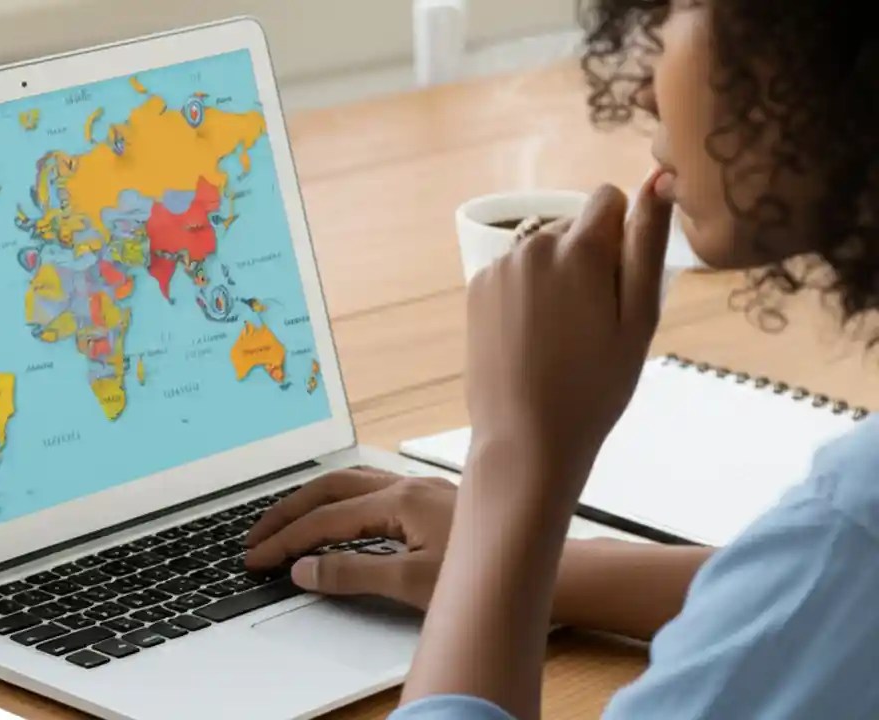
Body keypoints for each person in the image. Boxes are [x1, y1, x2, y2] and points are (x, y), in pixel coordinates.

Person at [244, 0, 879, 718]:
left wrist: (516, 461)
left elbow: (841, 575)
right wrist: (521, 557)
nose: (642, 85)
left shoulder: (855, 533)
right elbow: (815, 602)